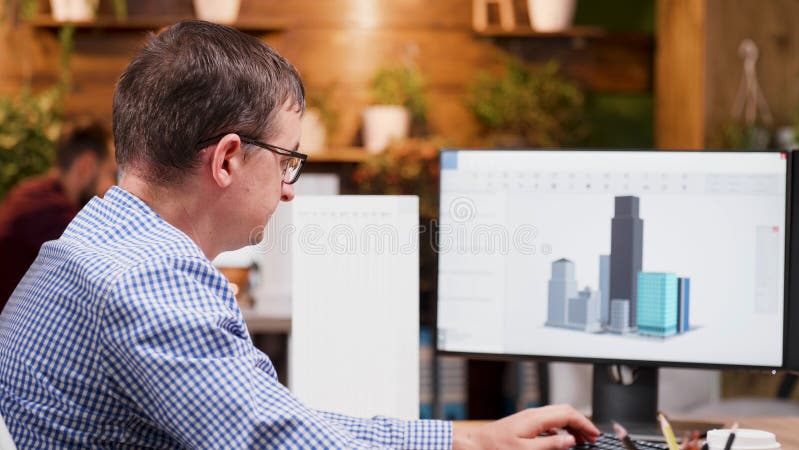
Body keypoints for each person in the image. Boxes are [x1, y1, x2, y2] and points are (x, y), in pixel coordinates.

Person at [0, 20, 599, 449]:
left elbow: (278, 422)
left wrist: (468, 438)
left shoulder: (87, 247)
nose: (289, 190)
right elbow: (282, 441)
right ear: (227, 159)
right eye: (287, 161)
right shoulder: (150, 278)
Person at [0, 119, 116, 308]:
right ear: (85, 166)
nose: (111, 187)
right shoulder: (53, 214)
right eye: (110, 173)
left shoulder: (32, 193)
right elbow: (107, 271)